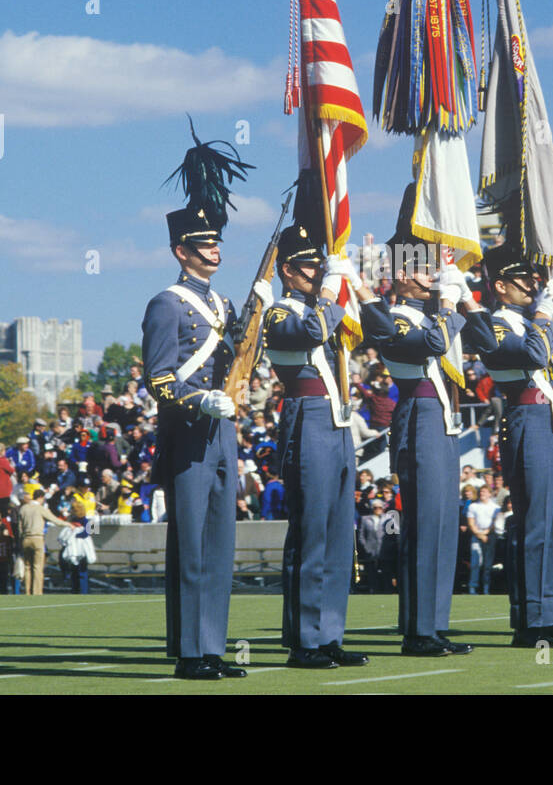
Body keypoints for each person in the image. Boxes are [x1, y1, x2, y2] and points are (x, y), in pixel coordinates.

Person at [142, 128, 252, 680]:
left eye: (217, 243)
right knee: (191, 545)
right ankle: (189, 652)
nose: (216, 250)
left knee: (220, 546)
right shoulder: (167, 304)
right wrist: (201, 401)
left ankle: (212, 646)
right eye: (205, 244)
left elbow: (235, 361)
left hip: (222, 435)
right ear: (181, 250)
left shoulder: (224, 302)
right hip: (189, 434)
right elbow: (158, 379)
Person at [266, 218, 389, 669]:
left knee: (340, 535)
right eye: (308, 269)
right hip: (309, 419)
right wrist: (328, 292)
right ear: (287, 271)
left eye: (320, 268)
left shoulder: (323, 304)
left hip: (338, 424)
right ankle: (304, 639)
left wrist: (361, 286)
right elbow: (310, 333)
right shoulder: (280, 311)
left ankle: (329, 633)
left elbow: (384, 331)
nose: (318, 274)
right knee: (312, 531)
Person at [461, 243, 553, 647]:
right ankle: (530, 621)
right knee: (534, 521)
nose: (533, 286)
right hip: (526, 419)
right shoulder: (496, 323)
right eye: (523, 280)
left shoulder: (534, 317)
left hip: (551, 422)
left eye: (534, 280)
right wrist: (543, 313)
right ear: (501, 286)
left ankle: (550, 616)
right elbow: (535, 354)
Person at [366, 194, 474, 658]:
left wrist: (465, 299)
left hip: (441, 420)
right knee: (424, 523)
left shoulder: (436, 312)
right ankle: (416, 630)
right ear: (403, 274)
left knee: (444, 524)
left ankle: (433, 624)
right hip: (419, 415)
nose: (432, 276)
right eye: (423, 268)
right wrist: (448, 305)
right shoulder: (391, 317)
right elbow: (432, 344)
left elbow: (485, 338)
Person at [17, 489, 71, 596]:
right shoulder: (40, 509)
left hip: (26, 539)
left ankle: (27, 592)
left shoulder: (23, 508)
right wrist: (68, 524)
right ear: (41, 497)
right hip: (37, 538)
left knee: (27, 567)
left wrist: (22, 538)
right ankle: (37, 593)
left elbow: (20, 527)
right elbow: (55, 520)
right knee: (37, 567)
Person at [466, 486, 499, 595]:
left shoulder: (496, 507)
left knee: (487, 564)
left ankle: (486, 588)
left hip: (490, 536)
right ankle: (473, 587)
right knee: (475, 562)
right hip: (476, 536)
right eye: (481, 491)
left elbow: (495, 524)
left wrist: (486, 534)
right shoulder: (473, 506)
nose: (482, 493)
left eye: (485, 491)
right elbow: (471, 523)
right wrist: (479, 534)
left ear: (490, 494)